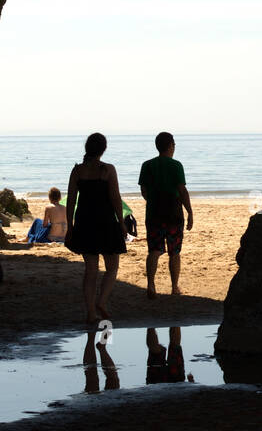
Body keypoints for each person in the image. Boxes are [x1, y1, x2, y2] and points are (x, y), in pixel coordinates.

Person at [65, 133, 128, 324]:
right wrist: (122, 222)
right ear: (103, 149)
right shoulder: (108, 170)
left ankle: (91, 313)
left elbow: (70, 201)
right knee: (112, 267)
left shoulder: (77, 171)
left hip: (85, 222)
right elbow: (116, 198)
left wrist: (70, 227)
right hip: (106, 221)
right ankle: (102, 301)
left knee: (90, 271)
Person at [138, 132, 193, 298]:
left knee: (154, 250)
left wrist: (154, 200)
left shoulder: (147, 165)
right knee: (174, 251)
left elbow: (144, 191)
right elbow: (182, 191)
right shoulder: (176, 165)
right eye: (173, 145)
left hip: (154, 212)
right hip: (173, 212)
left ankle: (151, 284)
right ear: (171, 146)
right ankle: (174, 286)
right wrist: (190, 211)